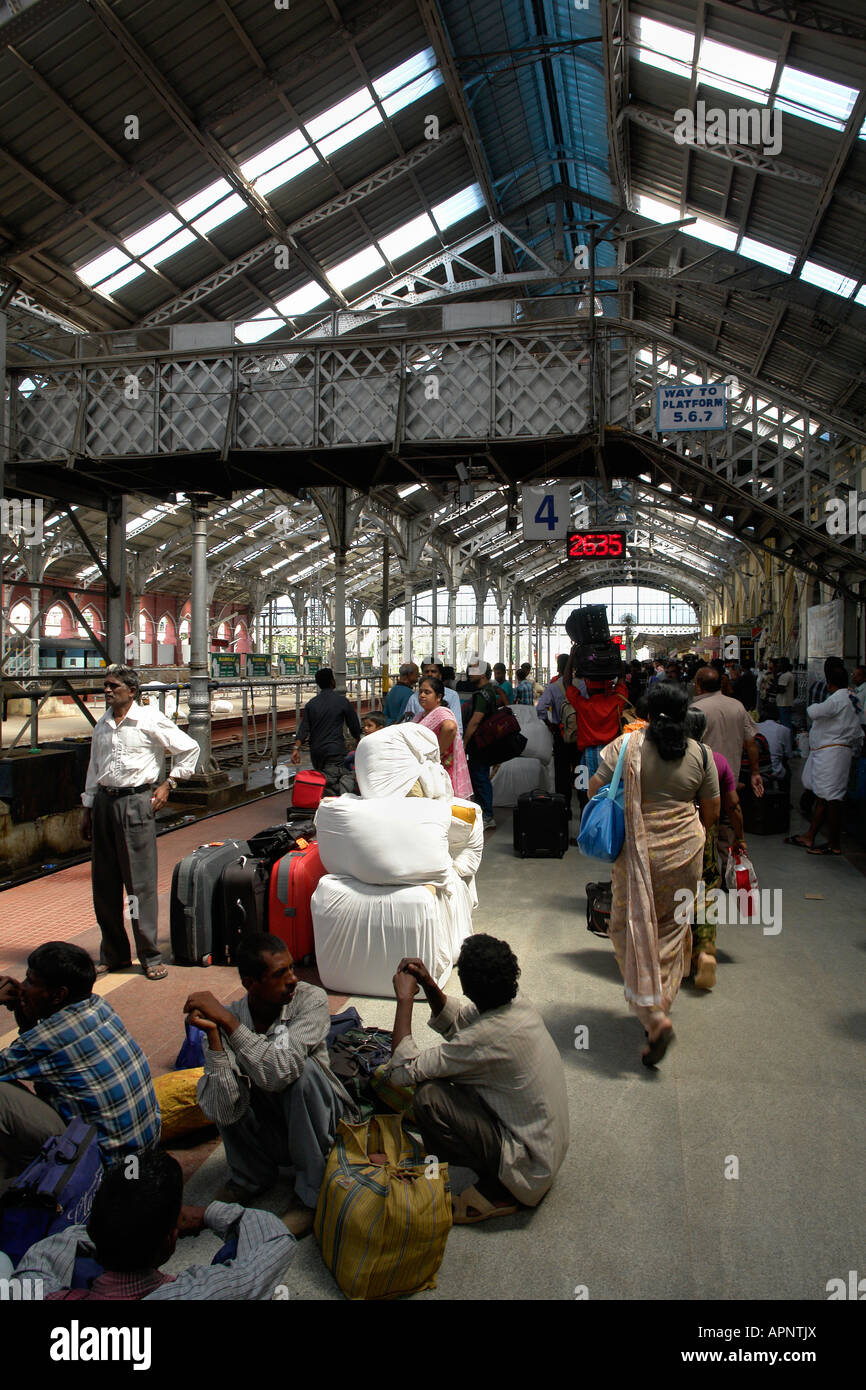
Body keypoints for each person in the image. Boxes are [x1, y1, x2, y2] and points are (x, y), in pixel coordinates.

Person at [385, 938, 569, 1224]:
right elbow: (460, 1019)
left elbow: (402, 1070)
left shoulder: (484, 1040)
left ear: (468, 987)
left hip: (529, 1168)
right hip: (546, 1147)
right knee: (456, 1082)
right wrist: (430, 985)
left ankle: (500, 1189)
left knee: (429, 1096)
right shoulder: (515, 1003)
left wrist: (405, 1000)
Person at [187, 934, 358, 1237]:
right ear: (251, 983)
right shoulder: (229, 1020)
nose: (293, 979)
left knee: (300, 1073)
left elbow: (280, 1071)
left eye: (292, 968)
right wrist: (215, 1039)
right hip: (275, 1130)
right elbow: (222, 1111)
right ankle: (250, 1178)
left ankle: (311, 1194)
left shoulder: (310, 999)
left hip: (320, 1121)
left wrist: (228, 1024)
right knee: (222, 1084)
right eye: (280, 974)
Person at [588, 684, 720, 1065]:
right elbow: (710, 813)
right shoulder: (702, 753)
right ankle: (660, 1002)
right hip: (684, 853)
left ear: (646, 712)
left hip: (638, 853)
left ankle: (653, 1014)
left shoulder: (625, 747)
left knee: (627, 927)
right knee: (672, 930)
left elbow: (596, 789)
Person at [11, 1149, 295, 1301]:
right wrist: (207, 1212)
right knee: (233, 1255)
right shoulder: (199, 1292)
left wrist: (115, 1223)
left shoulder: (43, 1291)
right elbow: (275, 1239)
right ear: (171, 1240)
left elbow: (45, 1253)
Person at [0, 943, 159, 1181]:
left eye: (31, 982)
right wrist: (26, 1017)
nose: (21, 988)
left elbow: (34, 1049)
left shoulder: (48, 1039)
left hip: (102, 1171)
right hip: (139, 1159)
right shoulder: (97, 1005)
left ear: (59, 995)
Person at [81, 663, 199, 981]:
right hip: (105, 803)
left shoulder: (149, 720)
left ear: (132, 691)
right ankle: (114, 953)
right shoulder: (102, 725)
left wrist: (168, 784)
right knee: (104, 885)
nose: (107, 691)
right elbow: (95, 768)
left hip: (136, 804)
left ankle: (148, 954)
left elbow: (189, 748)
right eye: (105, 685)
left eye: (113, 686)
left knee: (139, 885)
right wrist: (88, 808)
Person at [684, 707, 747, 992]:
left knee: (674, 893)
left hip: (675, 834)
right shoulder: (716, 759)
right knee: (705, 892)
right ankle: (706, 950)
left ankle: (680, 955)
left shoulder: (669, 758)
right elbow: (732, 804)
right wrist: (740, 837)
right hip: (706, 836)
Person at [786, 659, 862, 856]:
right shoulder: (851, 696)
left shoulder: (837, 698)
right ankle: (811, 835)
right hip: (831, 752)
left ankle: (834, 844)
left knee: (832, 799)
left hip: (834, 754)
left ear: (829, 683)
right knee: (823, 796)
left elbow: (814, 711)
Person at [691, 665, 763, 863]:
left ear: (698, 686)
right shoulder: (737, 706)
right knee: (726, 825)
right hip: (730, 776)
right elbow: (751, 742)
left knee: (703, 826)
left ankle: (707, 873)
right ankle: (725, 871)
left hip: (702, 781)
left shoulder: (696, 710)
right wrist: (755, 772)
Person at [562, 646, 628, 810]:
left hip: (587, 756)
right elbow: (621, 679)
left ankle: (590, 824)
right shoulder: (616, 700)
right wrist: (616, 655)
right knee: (613, 793)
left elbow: (566, 682)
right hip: (613, 755)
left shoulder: (582, 704)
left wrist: (571, 657)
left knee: (586, 792)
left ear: (588, 686)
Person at [291, 667, 361, 796]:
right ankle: (332, 805)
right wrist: (358, 740)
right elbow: (354, 725)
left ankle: (319, 800)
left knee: (322, 777)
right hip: (334, 750)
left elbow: (304, 728)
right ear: (332, 682)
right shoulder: (342, 701)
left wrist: (296, 748)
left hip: (316, 752)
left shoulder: (312, 704)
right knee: (334, 779)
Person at [413, 674, 472, 798]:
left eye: (427, 692)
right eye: (421, 692)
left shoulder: (441, 712)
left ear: (438, 697)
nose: (422, 695)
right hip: (424, 768)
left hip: (440, 768)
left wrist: (436, 754)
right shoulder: (420, 716)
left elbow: (450, 727)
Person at [537, 654, 577, 817]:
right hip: (581, 737)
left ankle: (564, 807)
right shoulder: (581, 686)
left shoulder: (554, 687)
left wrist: (550, 725)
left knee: (562, 773)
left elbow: (540, 709)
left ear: (558, 667)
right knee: (581, 769)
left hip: (561, 735)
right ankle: (583, 803)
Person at [462, 659, 500, 831]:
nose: (470, 671)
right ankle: (484, 813)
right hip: (485, 743)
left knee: (480, 778)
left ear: (483, 674)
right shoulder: (488, 691)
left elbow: (475, 720)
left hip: (479, 745)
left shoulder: (483, 694)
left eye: (474, 669)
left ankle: (487, 815)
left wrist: (464, 743)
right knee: (479, 778)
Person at [404, 660, 463, 732]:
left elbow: (456, 727)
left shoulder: (452, 696)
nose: (430, 674)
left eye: (433, 671)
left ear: (439, 697)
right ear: (422, 674)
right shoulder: (414, 698)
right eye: (426, 671)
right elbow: (407, 724)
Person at [773, 657, 795, 728]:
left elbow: (781, 689)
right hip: (784, 703)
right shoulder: (785, 675)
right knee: (785, 723)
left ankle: (787, 738)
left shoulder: (786, 676)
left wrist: (775, 678)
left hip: (784, 703)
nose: (778, 665)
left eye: (779, 663)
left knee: (785, 724)